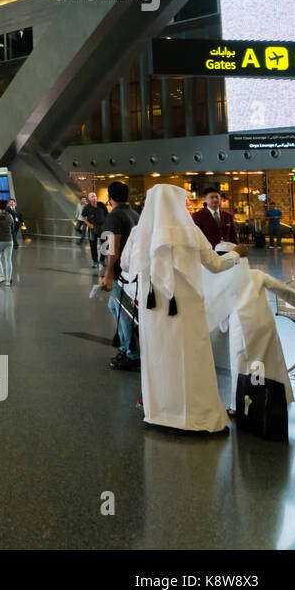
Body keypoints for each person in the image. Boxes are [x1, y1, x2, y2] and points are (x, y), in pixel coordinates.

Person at [121, 183, 243, 433]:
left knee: (158, 358)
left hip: (153, 311)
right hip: (187, 312)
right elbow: (216, 265)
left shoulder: (139, 232)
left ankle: (159, 413)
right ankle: (195, 416)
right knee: (190, 360)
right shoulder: (191, 232)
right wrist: (236, 254)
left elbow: (125, 265)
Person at [207, 240, 295, 417]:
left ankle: (237, 406)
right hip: (265, 325)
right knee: (271, 362)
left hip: (242, 329)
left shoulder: (222, 282)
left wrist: (224, 327)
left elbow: (220, 309)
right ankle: (279, 397)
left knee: (241, 367)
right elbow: (283, 289)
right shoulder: (257, 274)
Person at [99, 181, 141, 371]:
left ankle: (132, 354)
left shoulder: (114, 217)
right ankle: (126, 345)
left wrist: (108, 274)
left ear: (109, 197)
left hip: (120, 273)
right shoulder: (135, 215)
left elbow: (112, 248)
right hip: (133, 272)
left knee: (124, 312)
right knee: (114, 306)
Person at [0, 199, 15, 287]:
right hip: (9, 240)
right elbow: (12, 228)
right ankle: (8, 281)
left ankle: (1, 276)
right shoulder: (10, 216)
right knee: (8, 260)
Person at [80, 191, 107, 270]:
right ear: (89, 198)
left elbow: (107, 214)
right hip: (92, 229)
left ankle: (102, 260)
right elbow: (83, 217)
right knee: (93, 246)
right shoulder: (87, 207)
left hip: (102, 228)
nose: (94, 197)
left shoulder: (101, 204)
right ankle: (95, 261)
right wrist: (89, 224)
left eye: (95, 196)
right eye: (92, 196)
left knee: (105, 245)